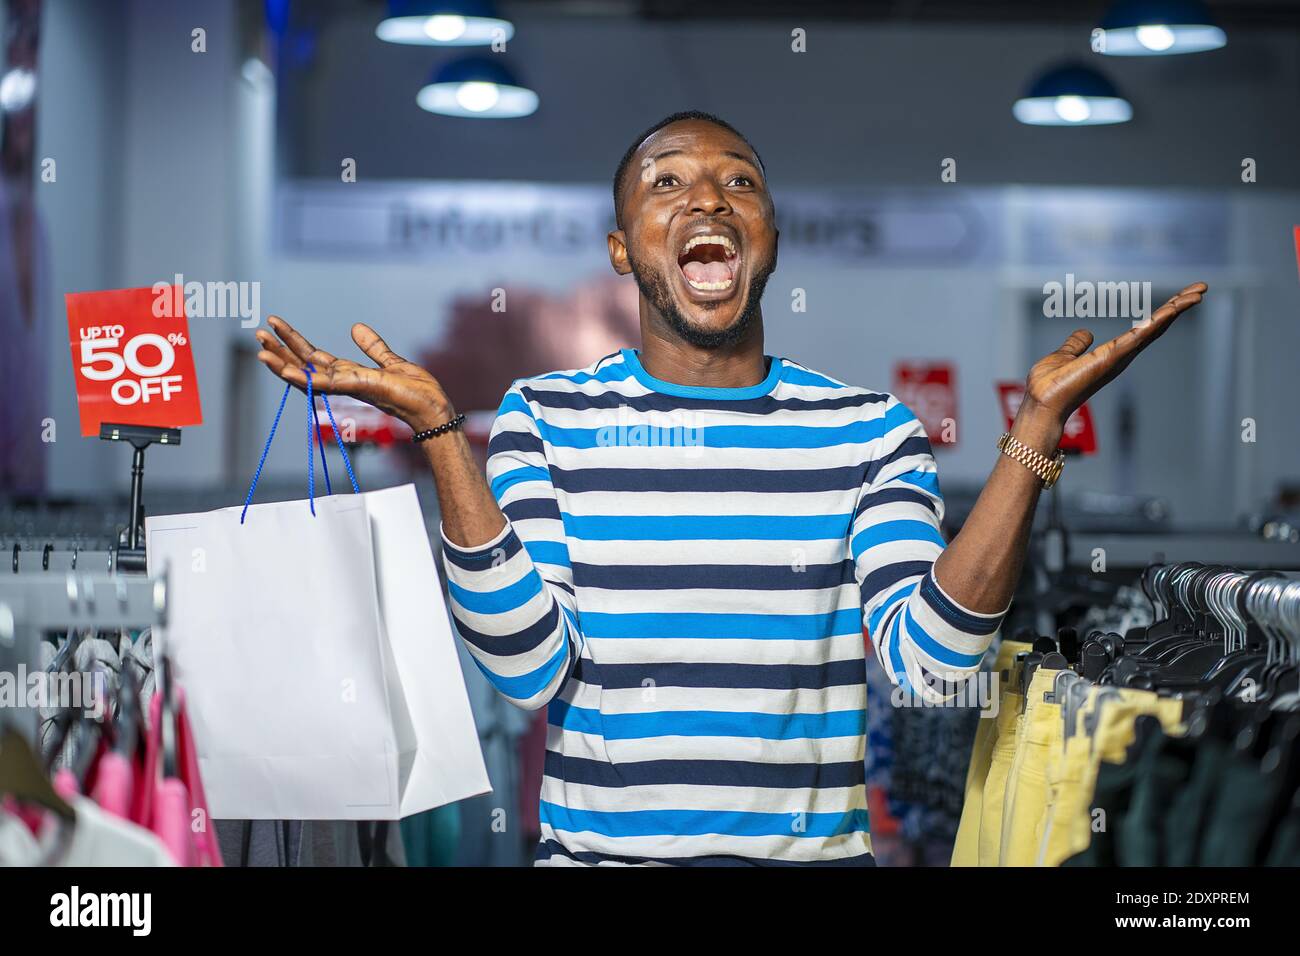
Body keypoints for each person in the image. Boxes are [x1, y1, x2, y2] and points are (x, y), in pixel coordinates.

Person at [254, 110, 1206, 866]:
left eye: (738, 182)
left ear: (771, 242)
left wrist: (1030, 440)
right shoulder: (543, 418)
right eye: (666, 182)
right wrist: (439, 439)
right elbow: (527, 669)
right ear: (625, 248)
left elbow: (936, 666)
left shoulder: (869, 430)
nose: (707, 199)